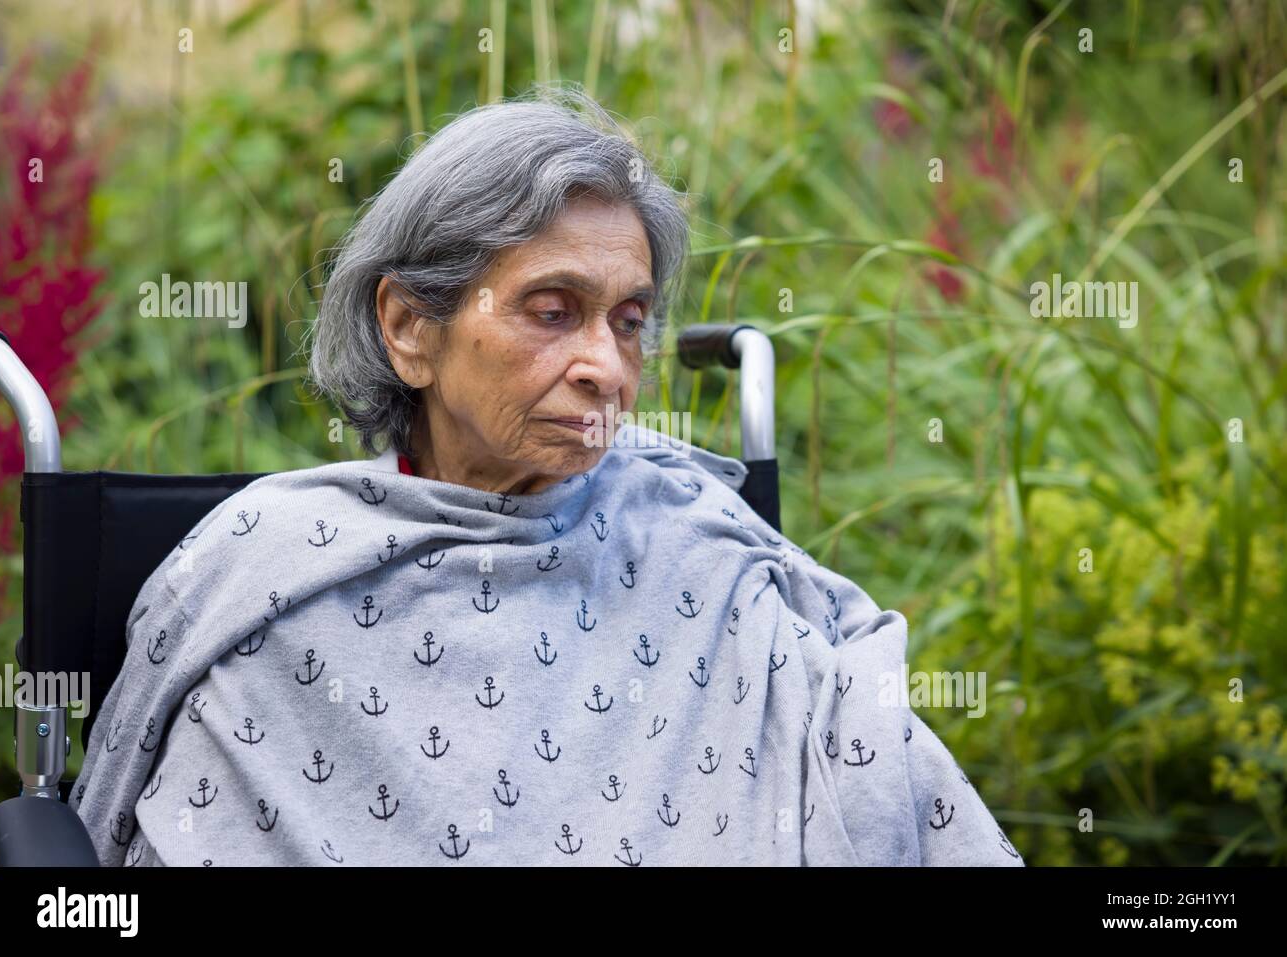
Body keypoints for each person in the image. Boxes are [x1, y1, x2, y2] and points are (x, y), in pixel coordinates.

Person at [72, 85, 1022, 867]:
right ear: (410, 328)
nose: (607, 367)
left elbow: (880, 776)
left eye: (629, 319)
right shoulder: (265, 579)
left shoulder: (698, 540)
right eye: (552, 310)